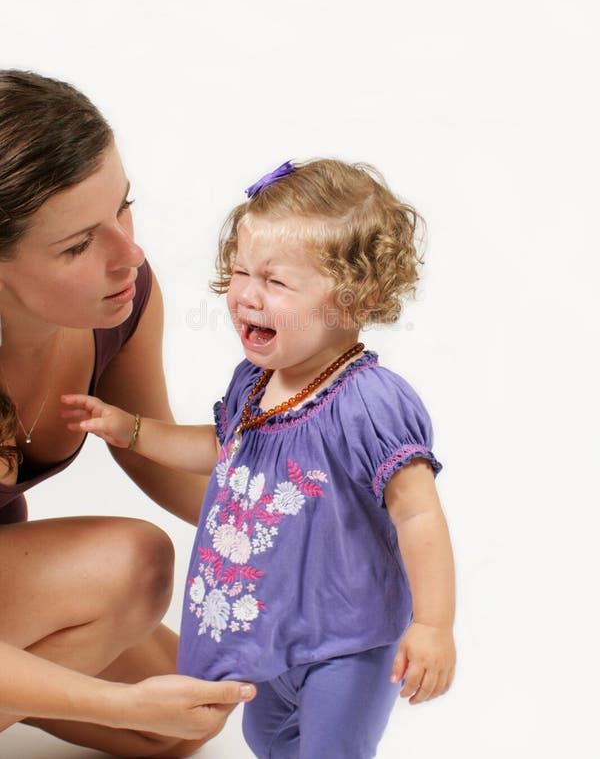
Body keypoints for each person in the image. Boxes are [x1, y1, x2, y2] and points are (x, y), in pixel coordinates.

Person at [63, 158, 456, 758]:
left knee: (332, 748)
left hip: (345, 634)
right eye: (241, 271)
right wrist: (134, 430)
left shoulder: (370, 402)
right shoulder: (256, 381)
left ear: (354, 299)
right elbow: (223, 451)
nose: (246, 293)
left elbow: (419, 517)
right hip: (268, 624)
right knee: (266, 736)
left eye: (275, 282)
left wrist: (432, 625)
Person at [0, 69, 256, 758]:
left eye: (124, 207)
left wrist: (305, 534)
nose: (128, 254)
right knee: (131, 564)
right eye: (79, 246)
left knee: (180, 722)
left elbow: (154, 451)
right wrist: (113, 701)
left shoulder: (125, 299)